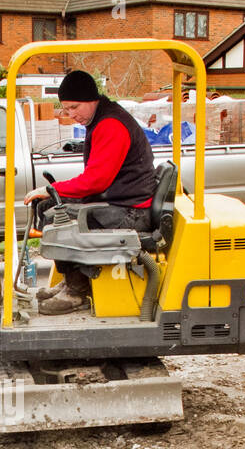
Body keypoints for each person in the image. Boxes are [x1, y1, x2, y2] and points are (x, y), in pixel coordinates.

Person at [25, 70, 157, 314]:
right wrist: (58, 193)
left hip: (131, 211)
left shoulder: (110, 125)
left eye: (74, 107)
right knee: (50, 209)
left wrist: (52, 189)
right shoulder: (101, 119)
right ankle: (75, 280)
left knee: (57, 217)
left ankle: (77, 292)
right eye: (66, 109)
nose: (71, 115)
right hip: (121, 202)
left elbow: (96, 181)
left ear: (91, 99)